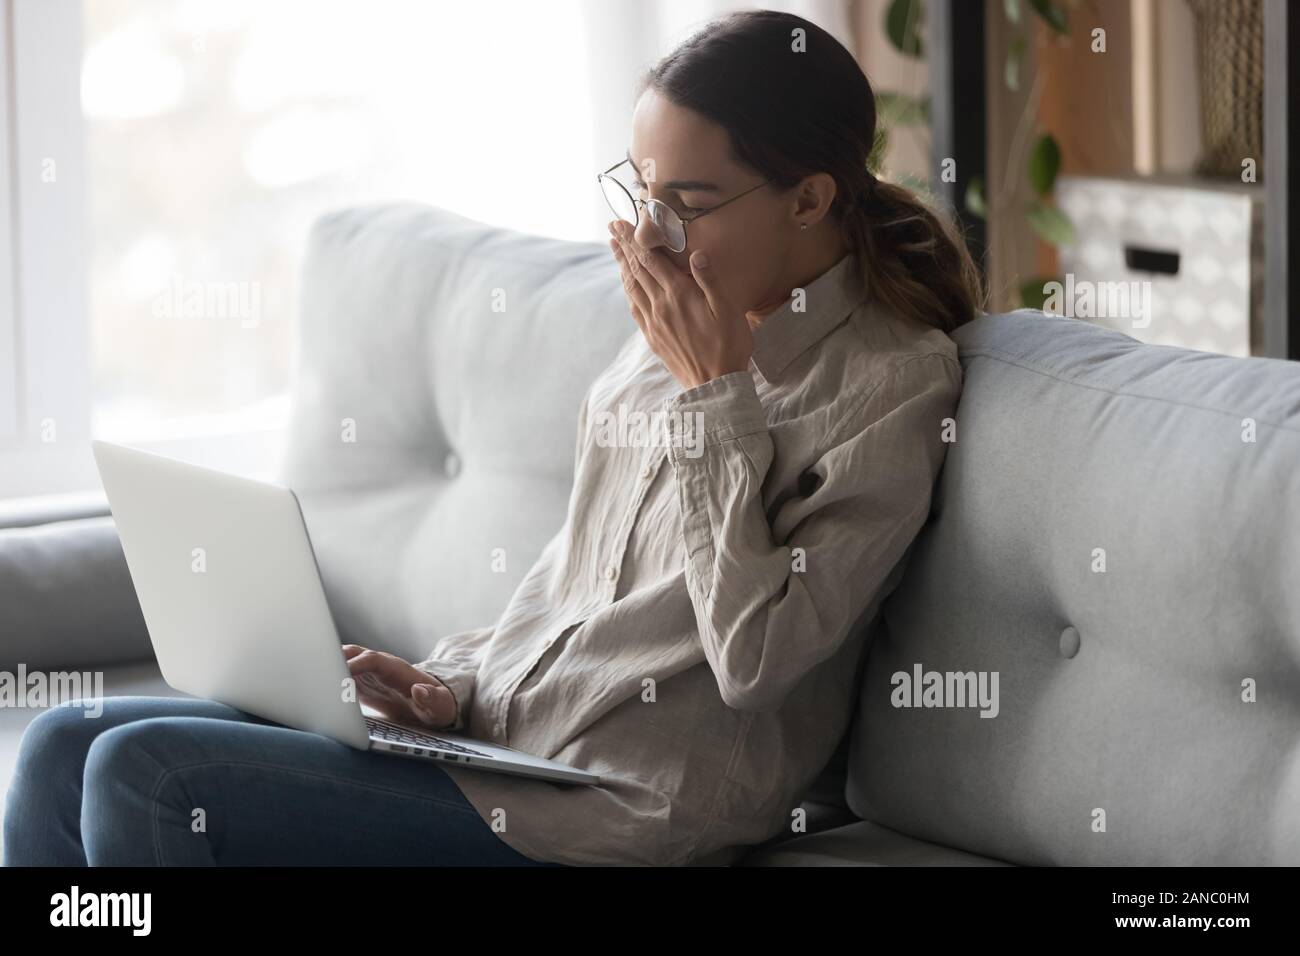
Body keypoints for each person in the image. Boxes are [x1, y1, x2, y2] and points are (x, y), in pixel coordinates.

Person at [3, 9, 983, 867]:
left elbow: (761, 660)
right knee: (58, 745)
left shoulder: (892, 386)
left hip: (617, 815)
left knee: (148, 773)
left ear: (809, 199)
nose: (647, 239)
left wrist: (716, 393)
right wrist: (448, 683)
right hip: (502, 751)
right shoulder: (663, 336)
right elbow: (572, 593)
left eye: (682, 206)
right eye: (639, 194)